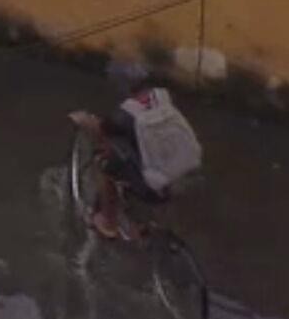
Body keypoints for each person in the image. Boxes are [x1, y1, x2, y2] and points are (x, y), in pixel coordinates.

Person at [69, 71, 201, 239]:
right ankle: (142, 219)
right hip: (190, 170)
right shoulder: (162, 96)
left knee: (105, 165)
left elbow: (101, 130)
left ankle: (108, 223)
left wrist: (84, 120)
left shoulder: (125, 114)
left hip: (157, 185)